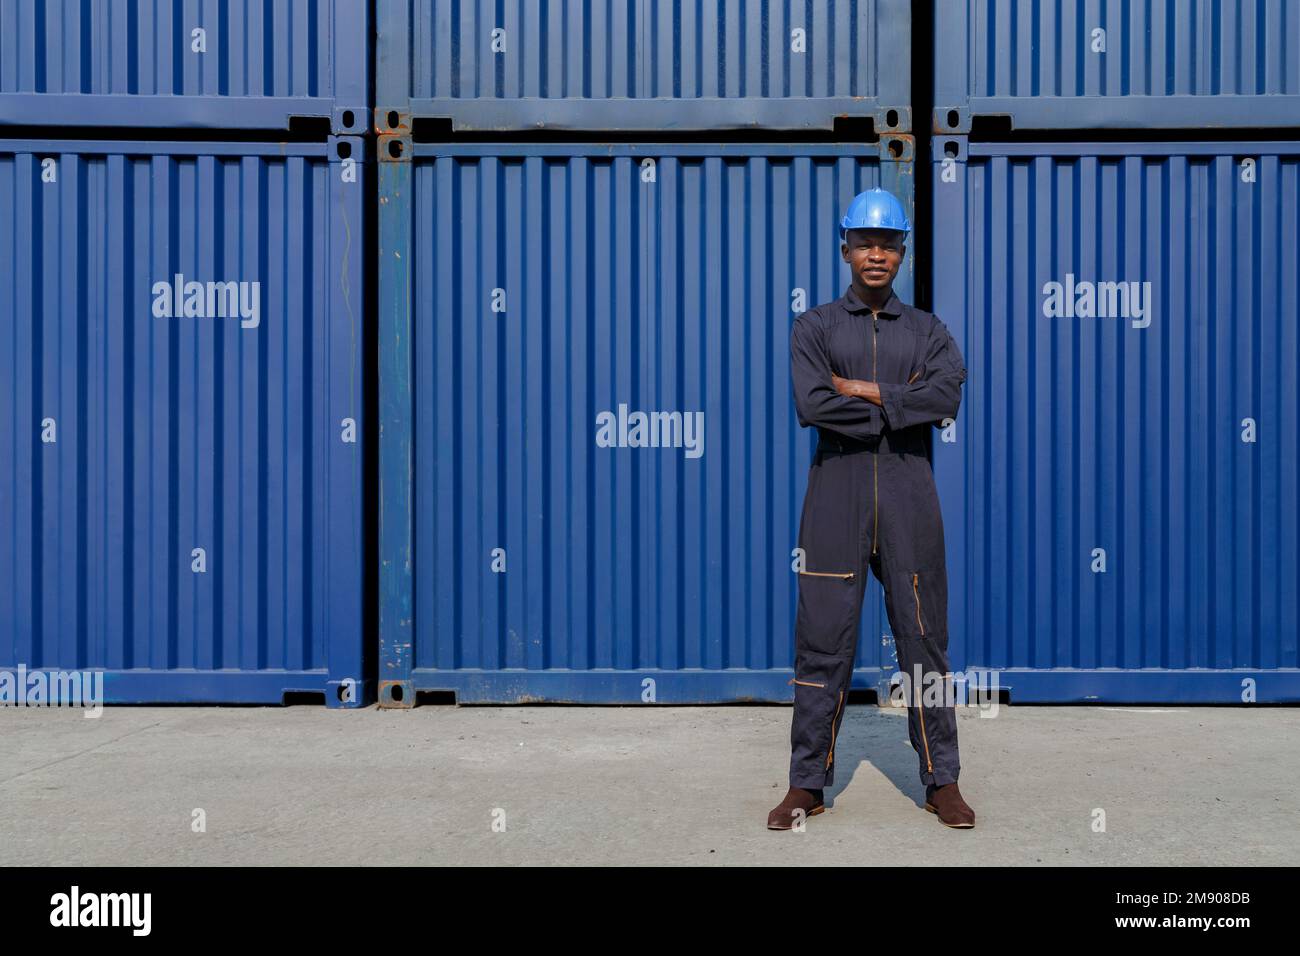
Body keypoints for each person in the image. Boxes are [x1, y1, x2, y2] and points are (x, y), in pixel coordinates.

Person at [767, 188, 975, 830]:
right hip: (837, 493)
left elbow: (946, 397)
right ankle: (807, 783)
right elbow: (814, 405)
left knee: (925, 641)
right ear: (846, 249)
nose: (877, 254)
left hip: (910, 495)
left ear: (903, 252)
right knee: (823, 644)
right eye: (865, 243)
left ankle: (943, 781)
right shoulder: (815, 328)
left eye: (888, 244)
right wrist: (899, 402)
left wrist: (865, 390)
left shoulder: (929, 332)